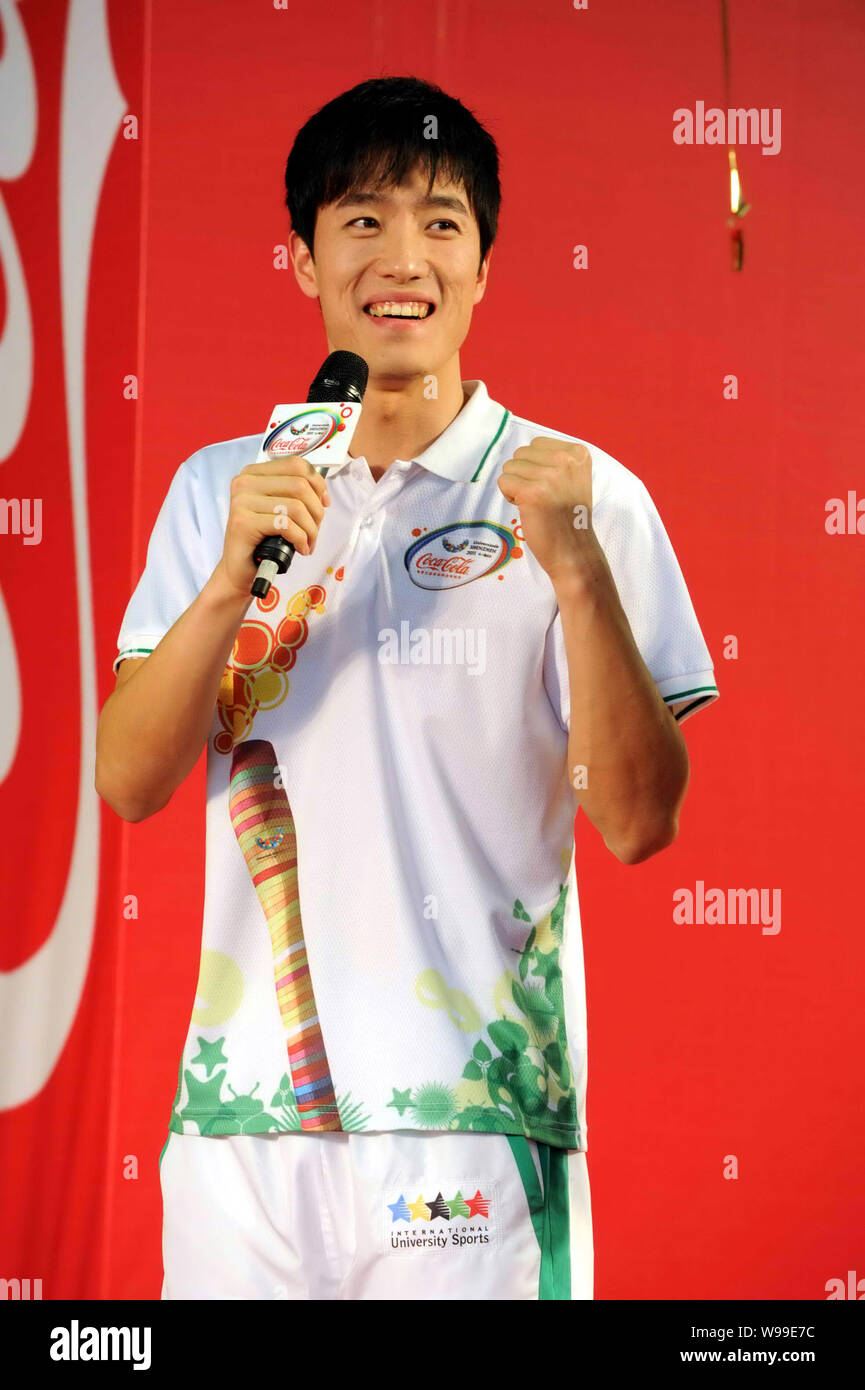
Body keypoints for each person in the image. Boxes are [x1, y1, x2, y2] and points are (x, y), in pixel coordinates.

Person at [95, 74, 719, 1301]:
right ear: (303, 258)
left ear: (484, 266)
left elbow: (641, 822)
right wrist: (228, 584)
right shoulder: (219, 489)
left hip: (473, 1127)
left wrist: (579, 570)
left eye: (441, 222)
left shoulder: (580, 492)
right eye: (363, 219)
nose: (403, 257)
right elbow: (126, 781)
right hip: (242, 1135)